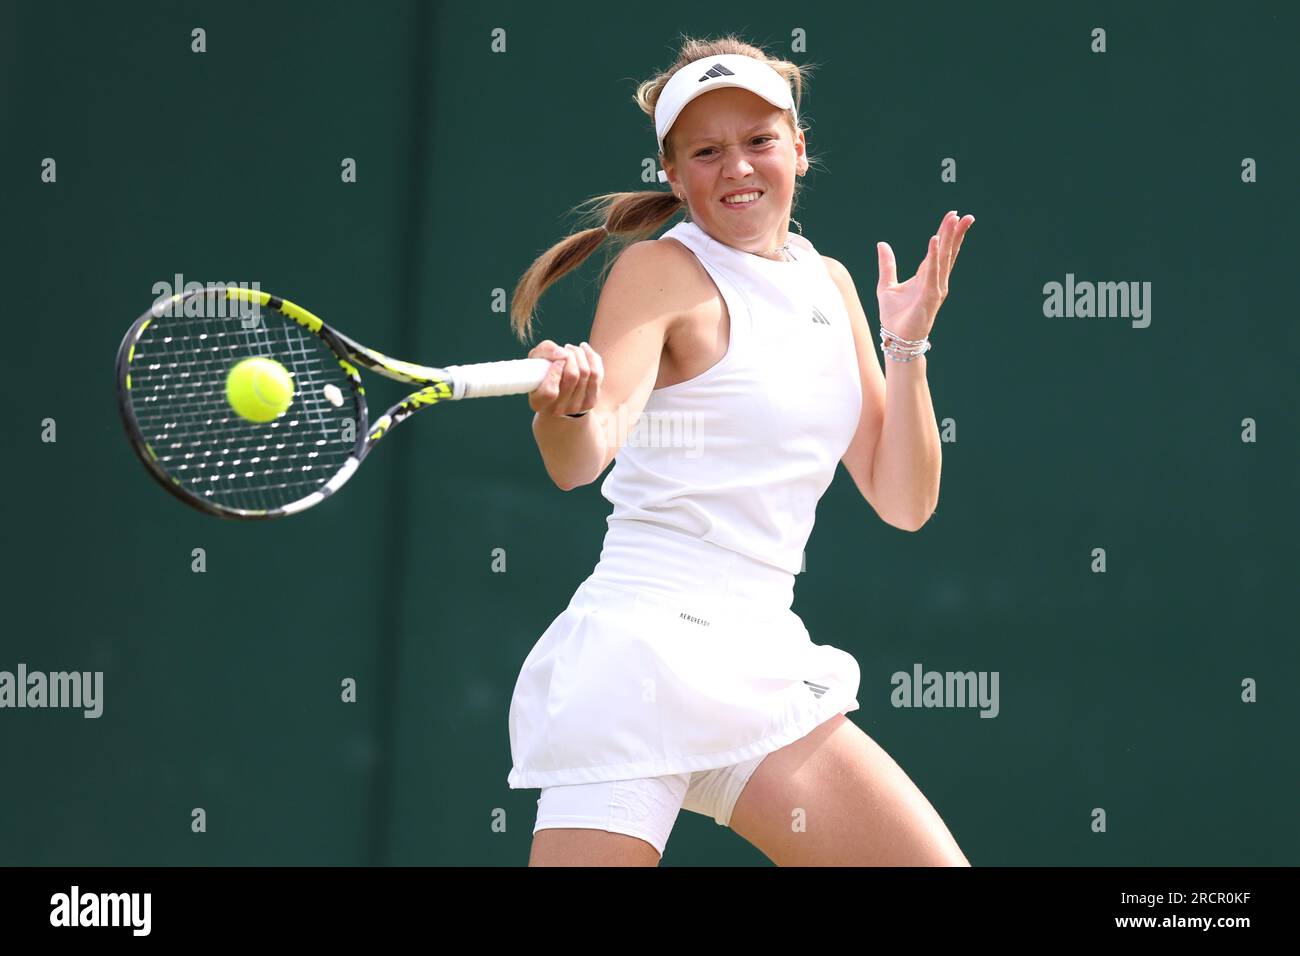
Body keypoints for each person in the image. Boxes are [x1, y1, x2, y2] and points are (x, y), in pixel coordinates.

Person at [505, 34, 974, 867]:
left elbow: (904, 501)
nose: (737, 169)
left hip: (757, 660)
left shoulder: (828, 283)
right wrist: (564, 405)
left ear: (798, 146)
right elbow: (582, 456)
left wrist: (908, 347)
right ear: (673, 174)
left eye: (759, 141)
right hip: (637, 657)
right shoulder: (659, 271)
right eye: (706, 152)